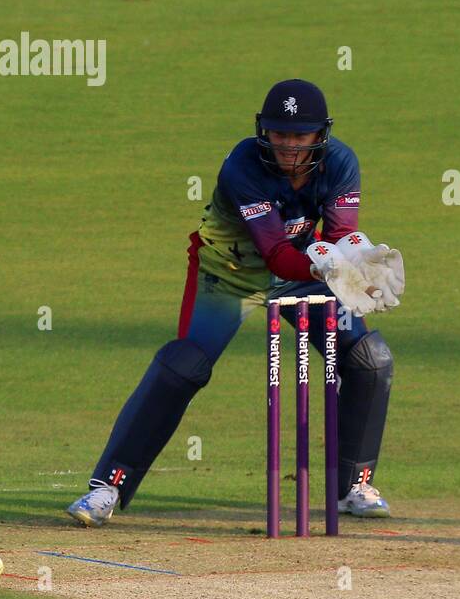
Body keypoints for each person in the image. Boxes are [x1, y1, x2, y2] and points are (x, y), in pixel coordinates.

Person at [67, 79, 404, 528]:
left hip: (303, 274)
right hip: (228, 277)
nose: (288, 146)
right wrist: (325, 267)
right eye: (279, 134)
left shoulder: (341, 162)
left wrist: (359, 257)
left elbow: (340, 233)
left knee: (370, 359)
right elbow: (276, 255)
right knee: (183, 364)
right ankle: (107, 486)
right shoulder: (243, 165)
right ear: (263, 130)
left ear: (320, 134)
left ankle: (354, 486)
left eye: (300, 136)